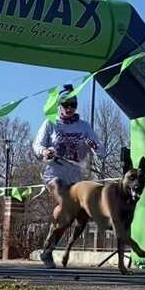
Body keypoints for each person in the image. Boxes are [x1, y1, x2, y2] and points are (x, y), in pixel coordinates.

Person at [32, 84, 101, 259]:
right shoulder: (50, 123)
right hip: (53, 173)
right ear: (59, 106)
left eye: (73, 104)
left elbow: (102, 150)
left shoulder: (84, 126)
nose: (69, 108)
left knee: (75, 215)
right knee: (64, 202)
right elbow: (36, 145)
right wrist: (45, 151)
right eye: (66, 105)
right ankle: (49, 246)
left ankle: (48, 248)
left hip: (75, 176)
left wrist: (95, 146)